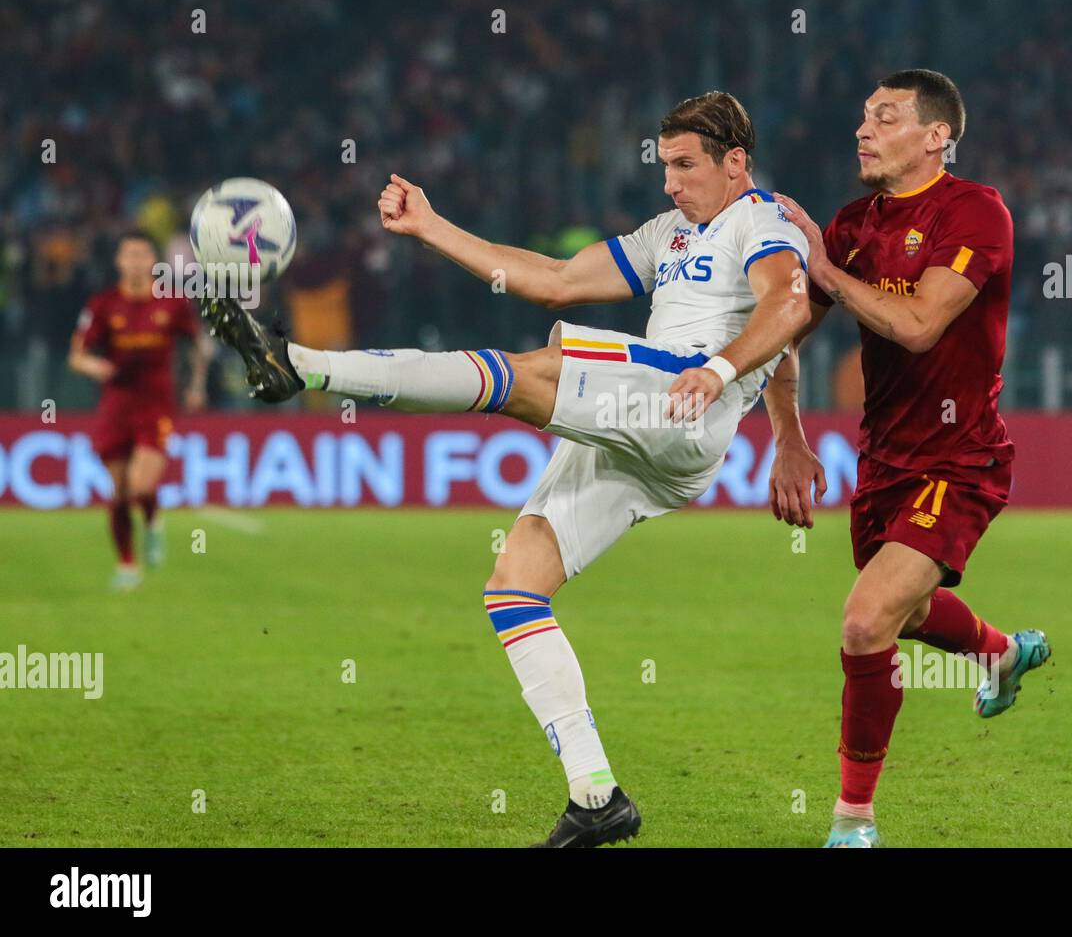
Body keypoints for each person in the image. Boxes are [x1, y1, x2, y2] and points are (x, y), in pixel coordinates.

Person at [200, 92, 814, 847]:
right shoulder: (672, 234)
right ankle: (596, 797)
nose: (670, 183)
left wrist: (720, 373)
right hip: (656, 436)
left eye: (685, 166)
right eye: (665, 167)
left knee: (533, 373)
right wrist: (431, 228)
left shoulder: (763, 221)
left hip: (685, 401)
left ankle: (300, 364)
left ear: (736, 163)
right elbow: (554, 278)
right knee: (514, 586)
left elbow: (787, 307)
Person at [769, 70, 1052, 847]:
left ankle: (853, 822)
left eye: (885, 116)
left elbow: (922, 322)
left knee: (865, 625)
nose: (863, 129)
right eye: (862, 115)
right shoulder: (852, 224)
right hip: (883, 464)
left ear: (935, 136)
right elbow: (782, 337)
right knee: (910, 611)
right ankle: (1000, 652)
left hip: (960, 460)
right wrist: (789, 439)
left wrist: (828, 274)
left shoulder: (975, 210)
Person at [69, 230, 211, 590]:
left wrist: (196, 385)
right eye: (128, 255)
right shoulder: (103, 304)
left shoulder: (173, 302)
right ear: (119, 261)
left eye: (142, 255)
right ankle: (127, 565)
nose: (135, 261)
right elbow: (77, 355)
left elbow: (198, 347)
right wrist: (94, 367)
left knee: (140, 484)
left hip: (156, 404)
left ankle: (151, 521)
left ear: (153, 261)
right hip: (116, 404)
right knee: (117, 492)